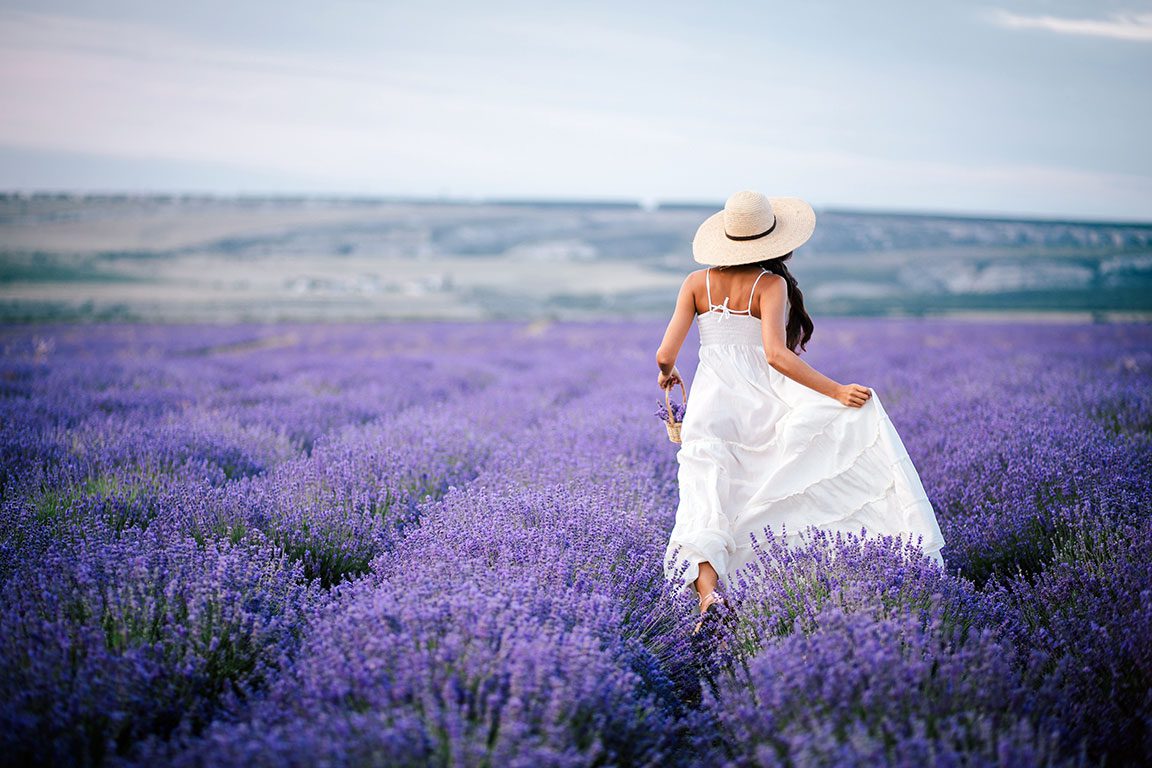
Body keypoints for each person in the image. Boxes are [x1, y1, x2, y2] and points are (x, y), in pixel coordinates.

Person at [655, 190, 946, 632]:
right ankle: (773, 583)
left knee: (704, 501)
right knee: (770, 492)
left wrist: (670, 373)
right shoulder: (769, 285)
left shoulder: (696, 283)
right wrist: (836, 391)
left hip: (711, 410)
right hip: (760, 404)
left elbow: (663, 355)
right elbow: (776, 355)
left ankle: (709, 597)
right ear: (771, 242)